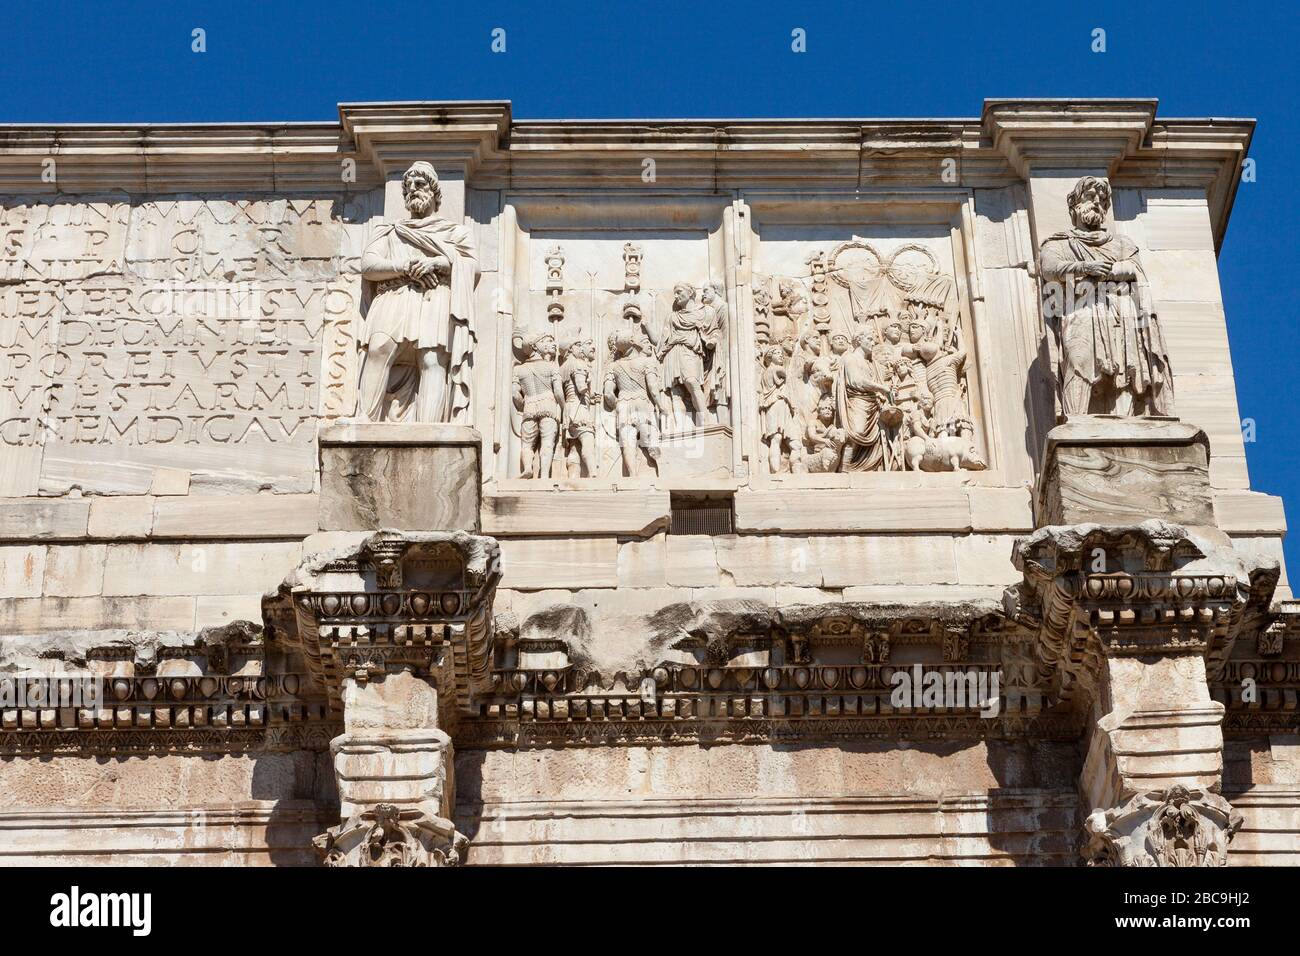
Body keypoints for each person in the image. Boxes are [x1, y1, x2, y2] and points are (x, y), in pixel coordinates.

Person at [1038, 175, 1172, 417]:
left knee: (1126, 365)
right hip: (1081, 311)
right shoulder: (1059, 242)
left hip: (1120, 313)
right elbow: (1048, 268)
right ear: (1074, 205)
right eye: (1090, 197)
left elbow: (1136, 271)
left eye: (1102, 199)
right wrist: (1083, 268)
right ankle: (1074, 421)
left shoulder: (1121, 243)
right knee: (1078, 361)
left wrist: (1109, 270)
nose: (1097, 202)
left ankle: (1125, 423)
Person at [357, 162, 479, 423]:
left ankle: (429, 429)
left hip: (435, 297)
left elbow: (472, 267)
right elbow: (368, 265)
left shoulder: (455, 232)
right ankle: (365, 419)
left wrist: (437, 262)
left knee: (432, 361)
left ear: (434, 192)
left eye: (420, 184)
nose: (413, 189)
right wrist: (403, 267)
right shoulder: (390, 231)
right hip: (393, 295)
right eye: (408, 187)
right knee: (378, 349)